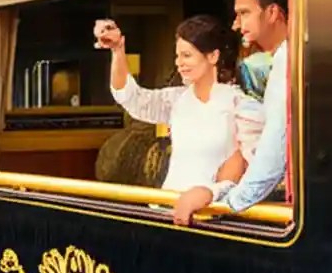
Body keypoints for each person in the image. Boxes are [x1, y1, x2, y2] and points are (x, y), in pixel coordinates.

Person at [169, 0, 290, 225]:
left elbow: (272, 155)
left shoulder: (284, 62)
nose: (236, 24)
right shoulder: (282, 59)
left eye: (244, 13)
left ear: (272, 13)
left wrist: (221, 203)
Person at [94, 15, 242, 207]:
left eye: (187, 55)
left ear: (213, 56)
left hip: (211, 213)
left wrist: (212, 194)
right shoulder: (177, 99)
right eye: (177, 56)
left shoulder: (239, 104)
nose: (179, 63)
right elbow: (130, 97)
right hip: (167, 207)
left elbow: (244, 162)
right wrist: (117, 50)